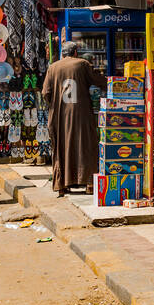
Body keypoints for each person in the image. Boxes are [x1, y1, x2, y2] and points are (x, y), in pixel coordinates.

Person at [41, 40, 107, 197]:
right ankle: (90, 183)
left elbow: (45, 93)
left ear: (63, 53)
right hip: (81, 114)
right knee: (85, 145)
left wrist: (56, 105)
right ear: (76, 52)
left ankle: (62, 185)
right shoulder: (82, 64)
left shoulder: (53, 68)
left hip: (59, 116)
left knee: (61, 147)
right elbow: (100, 81)